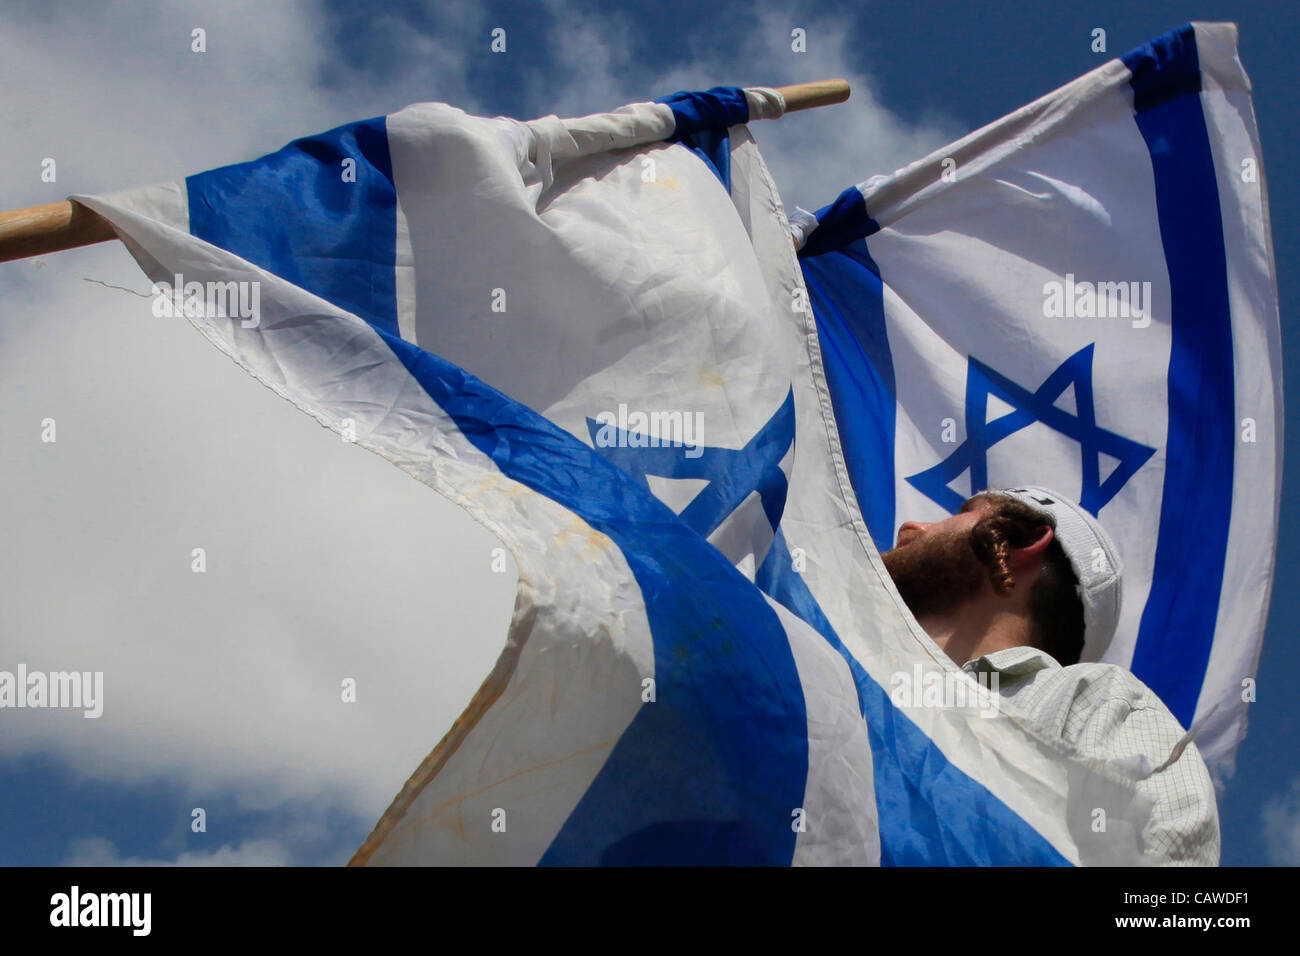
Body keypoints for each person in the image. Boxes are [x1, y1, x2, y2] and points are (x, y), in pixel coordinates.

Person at [881, 486, 1219, 865]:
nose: (911, 526)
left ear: (1018, 543)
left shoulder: (1098, 701)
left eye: (964, 511)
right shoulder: (849, 674)